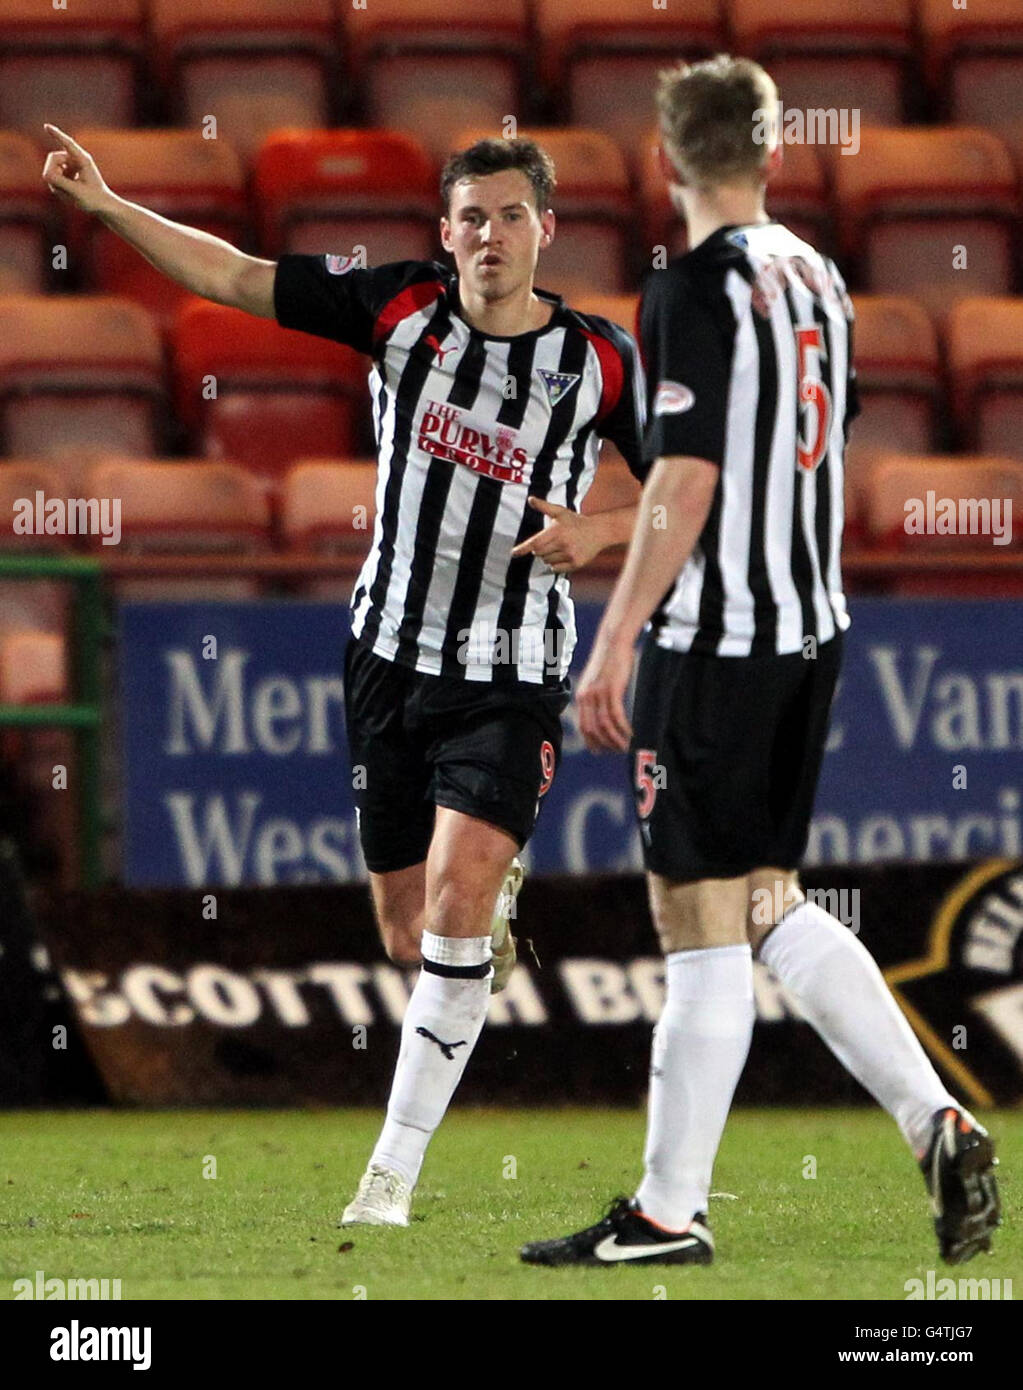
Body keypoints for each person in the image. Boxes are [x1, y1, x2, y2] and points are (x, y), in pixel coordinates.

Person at [42, 127, 647, 1227]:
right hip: (384, 654)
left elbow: (689, 496)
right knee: (404, 930)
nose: (491, 236)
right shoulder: (397, 309)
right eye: (472, 216)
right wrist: (110, 206)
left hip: (510, 667)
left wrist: (604, 530)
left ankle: (389, 1179)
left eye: (513, 216)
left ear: (546, 231)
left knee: (459, 905)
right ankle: (470, 927)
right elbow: (232, 274)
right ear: (445, 232)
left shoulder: (601, 361)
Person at [520, 56, 1000, 1268]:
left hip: (719, 639)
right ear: (774, 153)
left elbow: (683, 477)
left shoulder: (689, 287)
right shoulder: (820, 275)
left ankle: (666, 1215)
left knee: (696, 919)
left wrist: (616, 633)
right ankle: (932, 1115)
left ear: (666, 159)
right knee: (768, 894)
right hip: (811, 629)